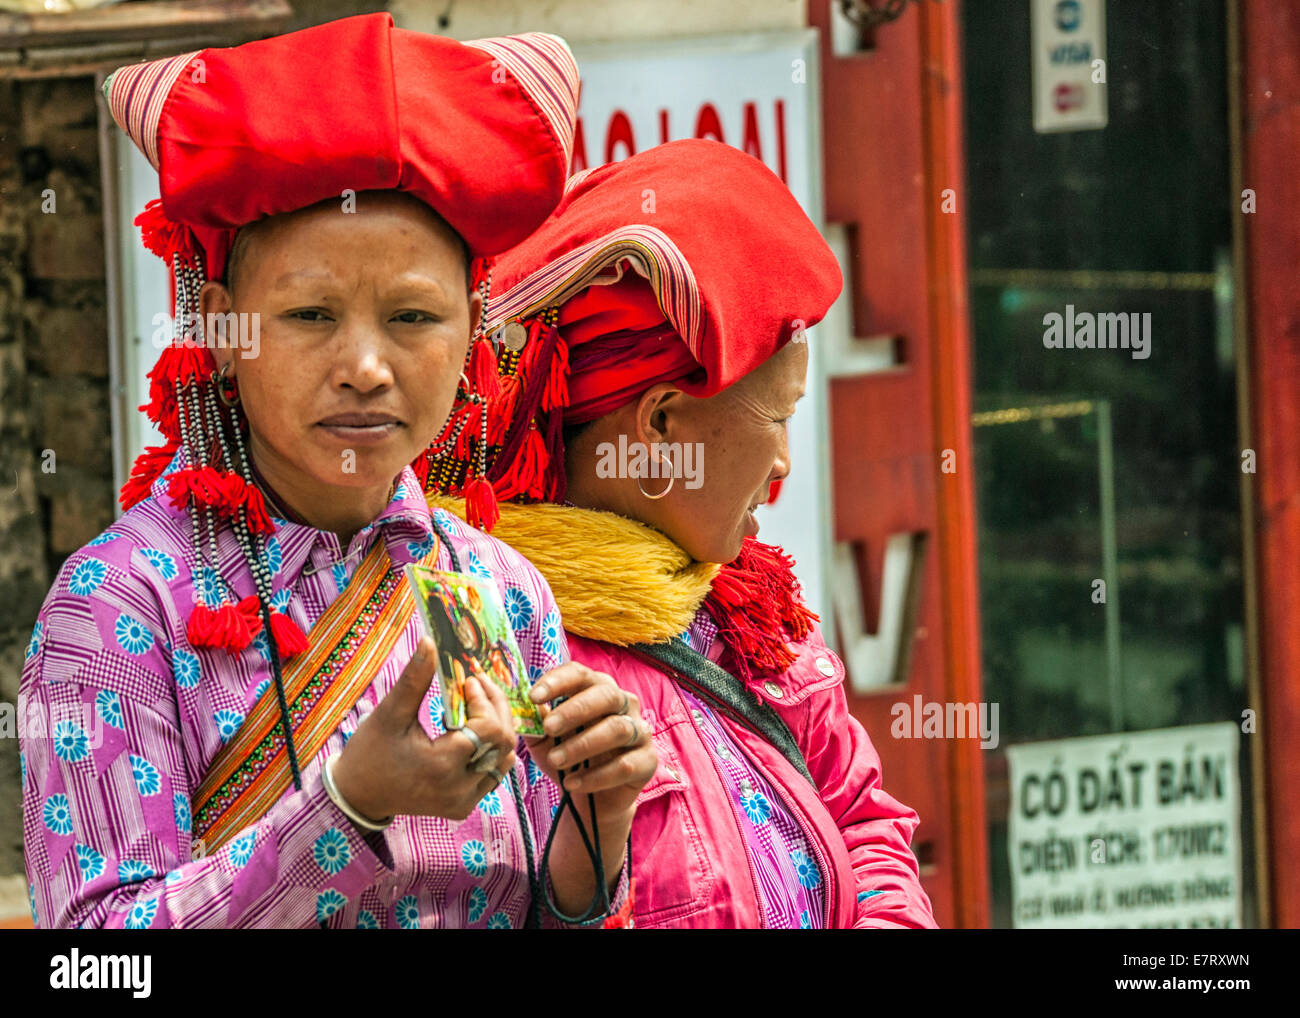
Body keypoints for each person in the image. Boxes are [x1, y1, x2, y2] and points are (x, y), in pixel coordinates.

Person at [18, 13, 655, 931]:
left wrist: (596, 826)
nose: (366, 365)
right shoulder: (119, 610)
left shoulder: (502, 591)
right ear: (224, 330)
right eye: (312, 315)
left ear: (474, 332)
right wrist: (345, 811)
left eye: (413, 317)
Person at [424, 139, 939, 928]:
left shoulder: (738, 609)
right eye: (777, 419)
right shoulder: (483, 642)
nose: (784, 466)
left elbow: (863, 818)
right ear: (662, 427)